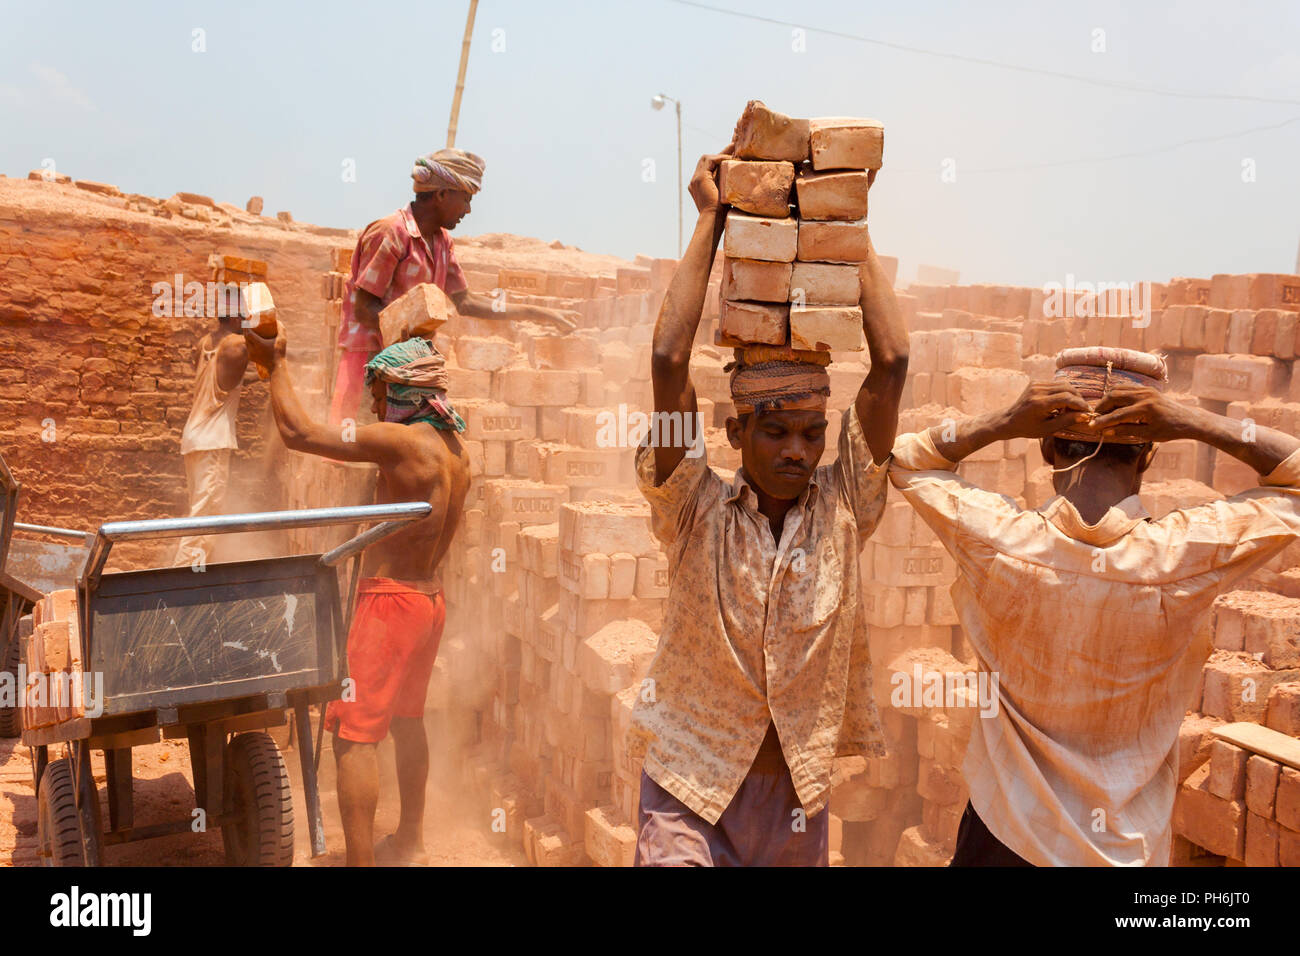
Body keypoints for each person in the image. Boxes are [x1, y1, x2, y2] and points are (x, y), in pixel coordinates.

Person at [887, 346, 1300, 866]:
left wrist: (1003, 421)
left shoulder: (998, 539)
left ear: (1044, 446)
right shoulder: (1184, 557)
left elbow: (905, 458)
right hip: (1122, 852)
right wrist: (1193, 422)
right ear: (1151, 453)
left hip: (1004, 838)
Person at [629, 149, 909, 866]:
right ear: (735, 431)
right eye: (776, 431)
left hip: (793, 809)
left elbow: (894, 363)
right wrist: (713, 215)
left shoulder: (846, 508)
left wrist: (846, 220)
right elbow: (667, 362)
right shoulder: (692, 506)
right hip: (690, 792)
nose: (796, 450)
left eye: (812, 433)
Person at [246, 325, 471, 866]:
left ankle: (360, 864)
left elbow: (299, 432)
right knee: (407, 721)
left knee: (353, 737)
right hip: (428, 601)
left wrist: (274, 364)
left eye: (377, 394)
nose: (373, 406)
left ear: (402, 392)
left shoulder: (401, 441)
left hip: (389, 606)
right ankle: (411, 840)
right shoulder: (454, 448)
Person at [329, 148, 576, 425]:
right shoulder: (391, 232)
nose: (469, 210)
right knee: (362, 452)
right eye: (466, 199)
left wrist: (536, 313)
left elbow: (466, 302)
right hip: (371, 362)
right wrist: (412, 341)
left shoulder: (443, 242)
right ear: (441, 194)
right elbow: (364, 309)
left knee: (410, 456)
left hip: (410, 365)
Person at [173, 309, 249, 567]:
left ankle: (196, 575)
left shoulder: (205, 343)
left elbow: (226, 382)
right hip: (213, 441)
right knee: (203, 522)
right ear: (238, 318)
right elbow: (269, 346)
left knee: (199, 514)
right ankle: (180, 585)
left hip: (195, 438)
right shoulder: (237, 344)